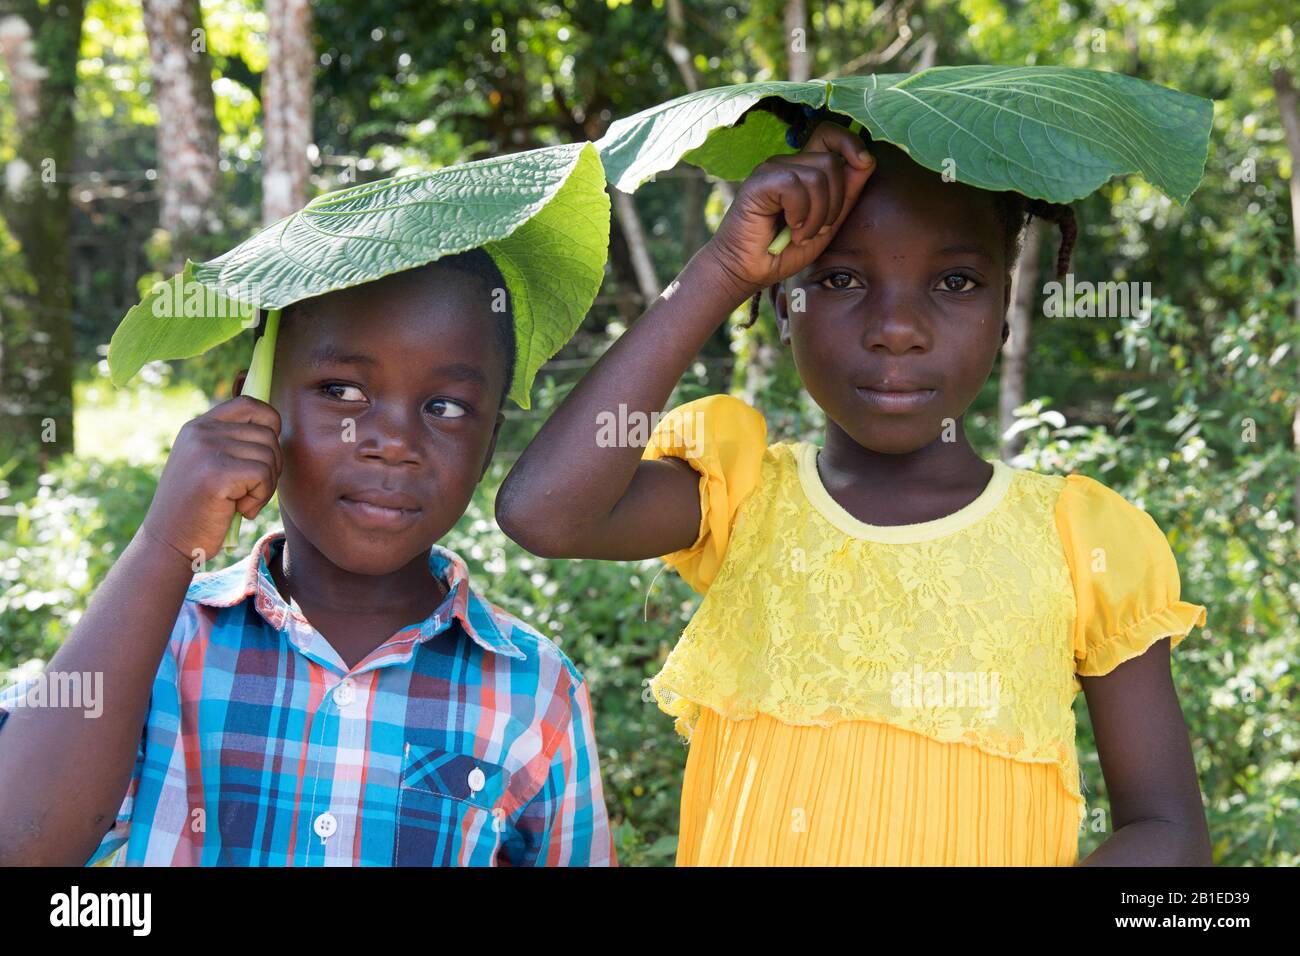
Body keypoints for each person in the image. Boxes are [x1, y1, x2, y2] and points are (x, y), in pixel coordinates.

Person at [496, 118, 1210, 866]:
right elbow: (543, 512)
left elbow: (1169, 832)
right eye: (840, 280)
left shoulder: (1079, 540)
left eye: (956, 282)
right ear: (781, 301)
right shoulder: (740, 498)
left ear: (1005, 311)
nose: (896, 329)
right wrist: (719, 271)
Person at [0, 248, 614, 866]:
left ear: (488, 448)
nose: (394, 443)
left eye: (445, 407)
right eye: (341, 390)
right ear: (256, 408)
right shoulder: (156, 641)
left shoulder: (536, 688)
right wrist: (164, 544)